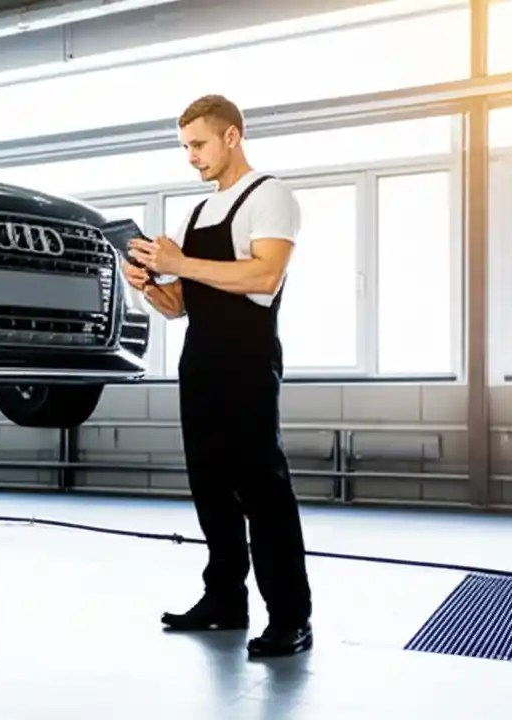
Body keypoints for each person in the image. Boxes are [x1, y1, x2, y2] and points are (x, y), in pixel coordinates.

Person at [125, 94, 313, 658]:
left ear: (232, 136)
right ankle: (225, 599)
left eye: (199, 144)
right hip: (200, 361)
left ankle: (291, 618)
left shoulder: (270, 195)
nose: (192, 156)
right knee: (209, 486)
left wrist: (178, 263)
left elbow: (265, 276)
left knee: (263, 490)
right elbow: (180, 306)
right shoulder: (197, 213)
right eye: (185, 147)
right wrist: (150, 285)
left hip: (248, 360)